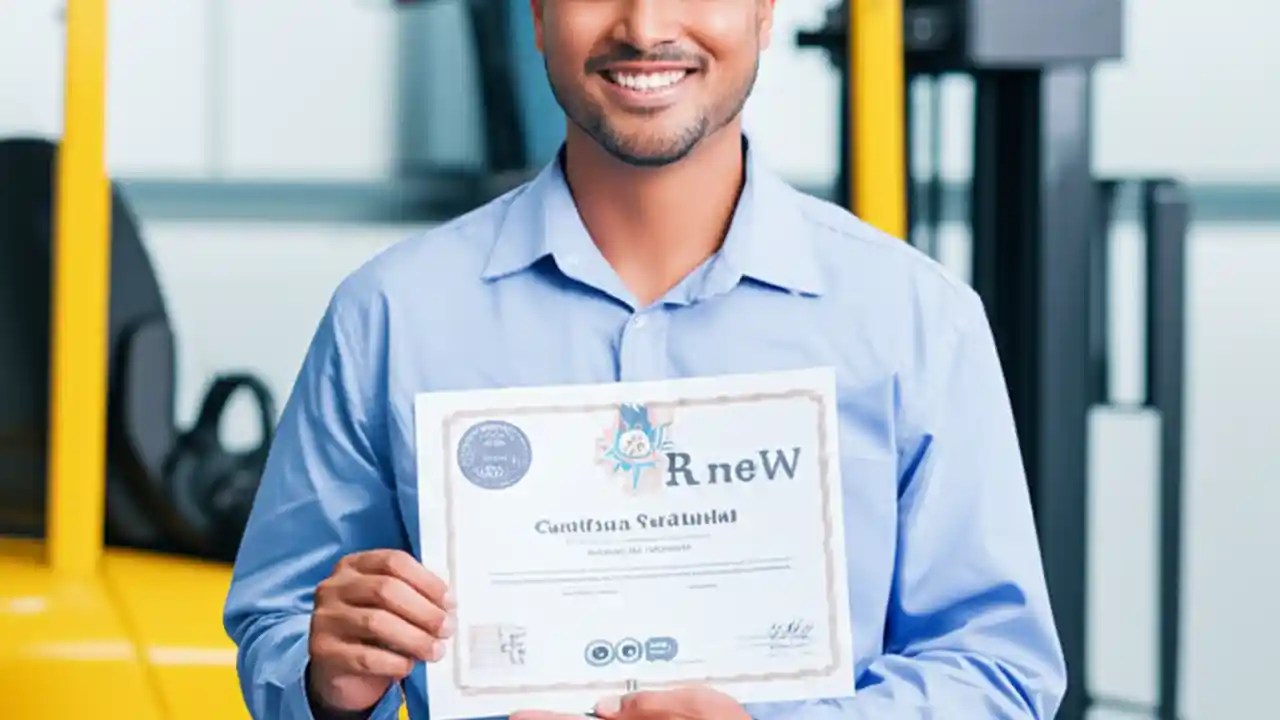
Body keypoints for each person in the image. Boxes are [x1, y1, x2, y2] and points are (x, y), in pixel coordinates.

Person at [222, 0, 1067, 718]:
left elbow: (998, 670)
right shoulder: (391, 317)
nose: (646, 25)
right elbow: (280, 621)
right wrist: (326, 680)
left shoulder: (915, 321)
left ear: (768, 10)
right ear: (538, 15)